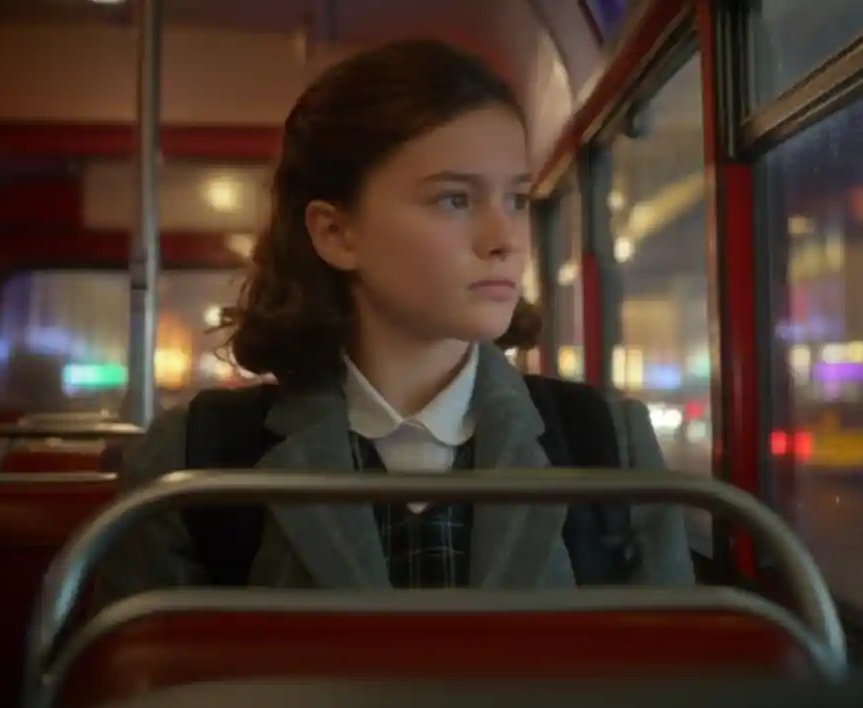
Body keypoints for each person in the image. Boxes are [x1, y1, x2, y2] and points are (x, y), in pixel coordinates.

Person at [96, 39, 693, 602]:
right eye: (454, 200)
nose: (505, 239)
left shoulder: (609, 445)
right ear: (336, 233)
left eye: (516, 200)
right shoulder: (193, 465)